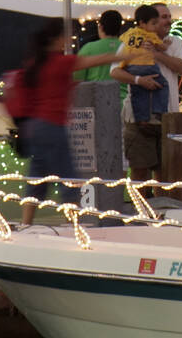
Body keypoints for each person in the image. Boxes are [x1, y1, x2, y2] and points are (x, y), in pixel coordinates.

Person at [16, 19, 121, 226]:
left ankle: (25, 224)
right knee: (69, 178)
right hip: (54, 125)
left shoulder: (35, 64)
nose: (67, 41)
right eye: (64, 37)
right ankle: (75, 227)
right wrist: (126, 55)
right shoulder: (60, 63)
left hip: (35, 127)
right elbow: (95, 61)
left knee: (37, 178)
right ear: (56, 40)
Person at [110, 2, 182, 181]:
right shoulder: (133, 40)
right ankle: (142, 207)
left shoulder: (175, 43)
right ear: (145, 23)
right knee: (140, 171)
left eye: (169, 17)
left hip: (168, 117)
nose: (168, 21)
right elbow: (115, 71)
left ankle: (160, 207)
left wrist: (157, 54)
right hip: (138, 118)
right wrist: (139, 81)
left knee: (167, 172)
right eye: (162, 18)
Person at [114, 6, 168, 122]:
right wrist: (165, 44)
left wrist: (137, 79)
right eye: (154, 23)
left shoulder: (129, 33)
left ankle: (141, 119)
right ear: (142, 23)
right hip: (148, 66)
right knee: (163, 85)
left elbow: (122, 39)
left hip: (131, 68)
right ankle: (159, 110)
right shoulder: (149, 35)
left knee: (137, 93)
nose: (156, 26)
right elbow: (163, 47)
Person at [76, 10, 124, 83]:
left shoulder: (88, 48)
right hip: (122, 93)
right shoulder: (127, 48)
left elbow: (77, 77)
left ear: (101, 27)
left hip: (95, 92)